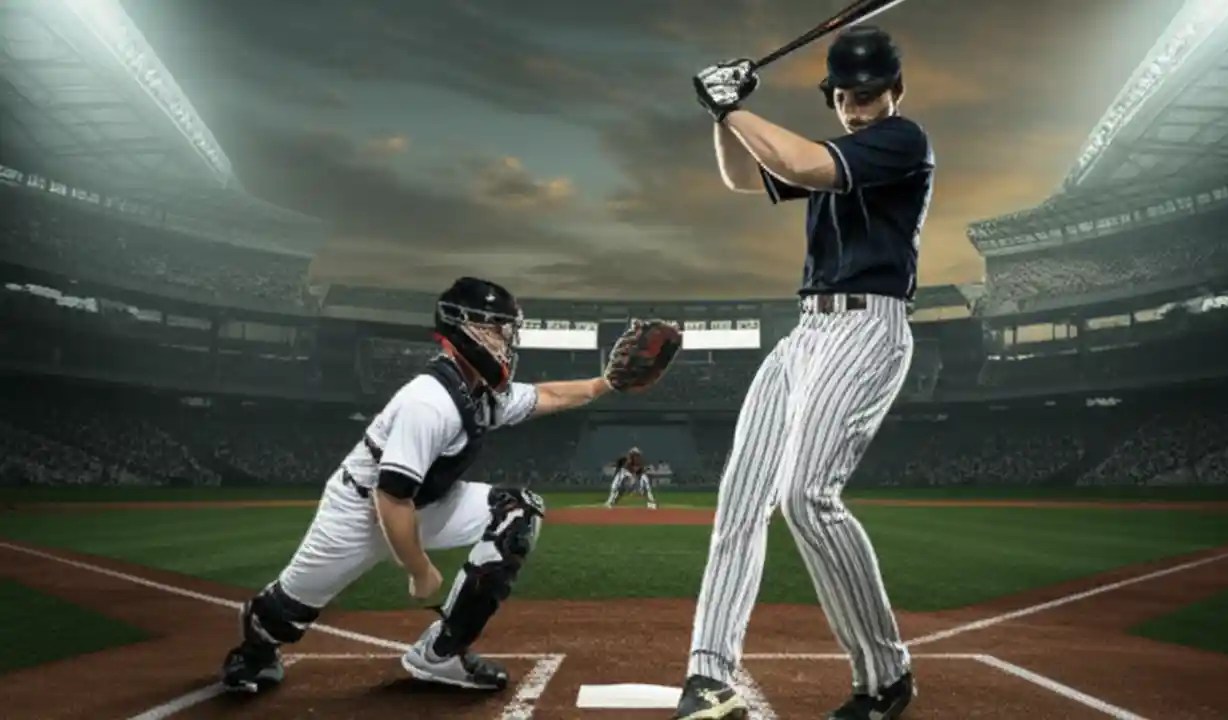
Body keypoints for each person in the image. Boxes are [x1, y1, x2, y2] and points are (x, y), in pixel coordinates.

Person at [218, 276, 673, 694]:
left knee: (517, 510)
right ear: (465, 327)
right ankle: (254, 654)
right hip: (360, 511)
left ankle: (441, 653)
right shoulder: (429, 401)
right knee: (280, 616)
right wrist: (419, 569)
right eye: (497, 328)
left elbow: (546, 396)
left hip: (426, 503)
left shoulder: (479, 392)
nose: (507, 339)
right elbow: (391, 496)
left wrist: (605, 382)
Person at [676, 25, 934, 720]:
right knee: (740, 499)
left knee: (806, 497)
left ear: (895, 93)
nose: (857, 107)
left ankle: (885, 677)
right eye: (846, 97)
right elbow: (742, 172)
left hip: (868, 326)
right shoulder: (841, 144)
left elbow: (803, 167)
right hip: (808, 331)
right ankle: (709, 676)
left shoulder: (902, 141)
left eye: (870, 96)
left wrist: (732, 105)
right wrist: (720, 115)